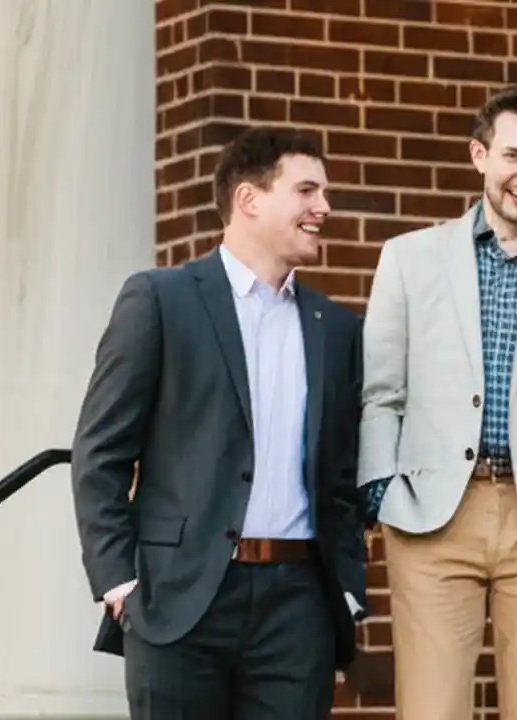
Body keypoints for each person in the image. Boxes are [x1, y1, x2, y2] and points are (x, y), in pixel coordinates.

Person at [71, 127, 366, 719]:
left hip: (298, 608)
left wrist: (347, 589)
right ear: (249, 199)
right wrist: (119, 583)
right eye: (306, 190)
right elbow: (99, 453)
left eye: (324, 193)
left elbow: (340, 477)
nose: (324, 208)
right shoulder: (160, 300)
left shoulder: (334, 329)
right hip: (177, 601)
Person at [357, 84, 517, 720]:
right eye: (513, 156)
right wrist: (380, 490)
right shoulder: (408, 259)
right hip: (431, 519)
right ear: (480, 155)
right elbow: (380, 392)